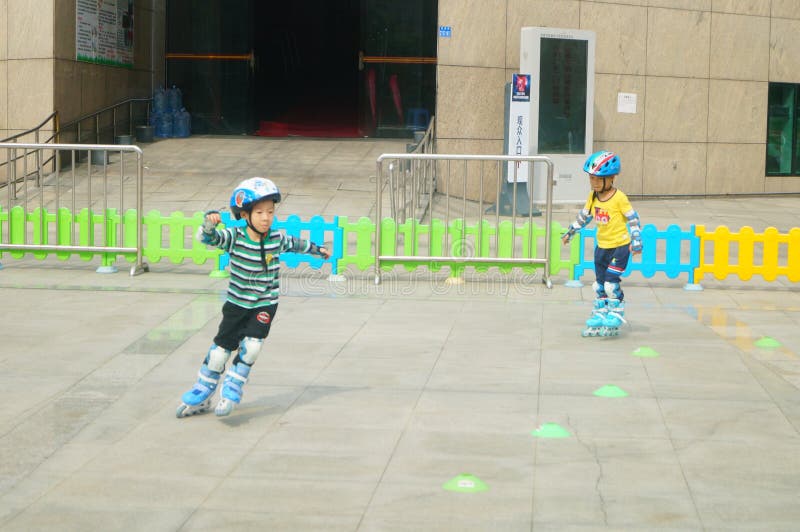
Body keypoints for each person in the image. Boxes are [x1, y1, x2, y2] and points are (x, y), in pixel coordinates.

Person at [177, 177, 331, 417]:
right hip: (236, 304)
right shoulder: (235, 237)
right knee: (220, 351)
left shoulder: (275, 238)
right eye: (259, 212)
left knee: (252, 347)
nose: (266, 217)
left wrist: (316, 249)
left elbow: (296, 244)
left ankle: (233, 385)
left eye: (270, 211)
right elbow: (207, 239)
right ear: (244, 214)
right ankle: (204, 388)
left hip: (265, 304)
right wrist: (209, 224)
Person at [561, 151, 642, 336]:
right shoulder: (593, 197)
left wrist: (636, 241)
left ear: (612, 178)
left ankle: (616, 311)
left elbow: (633, 219)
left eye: (598, 179)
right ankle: (601, 311)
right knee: (598, 285)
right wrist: (571, 232)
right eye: (591, 178)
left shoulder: (619, 197)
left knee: (610, 283)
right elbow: (584, 216)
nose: (594, 182)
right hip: (602, 247)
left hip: (620, 247)